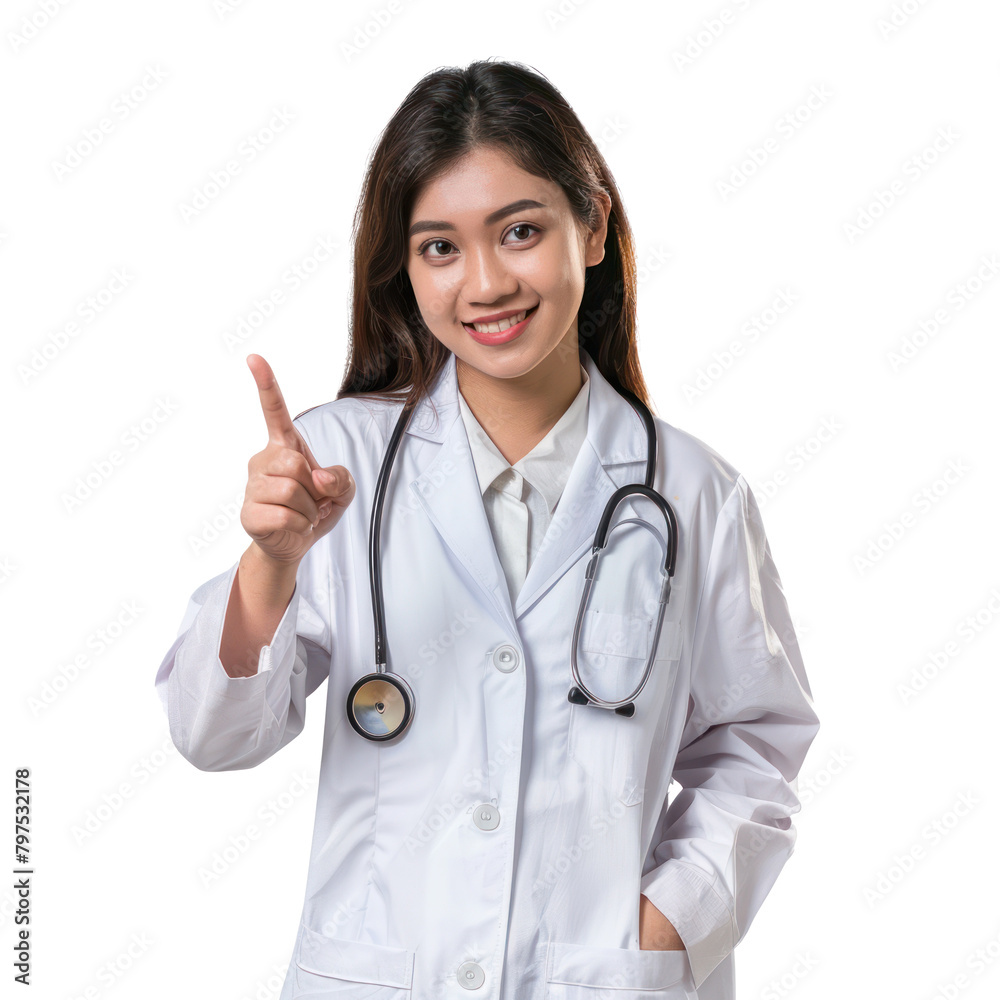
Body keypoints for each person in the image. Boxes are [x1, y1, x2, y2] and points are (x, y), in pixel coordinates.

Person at [154, 59, 820, 1000]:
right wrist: (271, 565)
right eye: (439, 247)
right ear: (405, 267)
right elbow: (211, 738)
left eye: (518, 231)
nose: (485, 283)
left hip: (599, 977)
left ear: (590, 227)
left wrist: (670, 919)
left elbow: (757, 740)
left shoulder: (694, 492)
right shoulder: (338, 465)